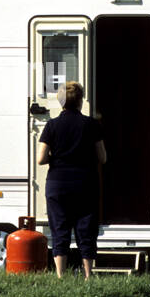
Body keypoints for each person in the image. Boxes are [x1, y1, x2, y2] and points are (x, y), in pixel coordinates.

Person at [36, 81, 107, 279]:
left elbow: (41, 159)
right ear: (80, 100)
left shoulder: (52, 125)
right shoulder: (92, 124)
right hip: (86, 183)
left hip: (58, 184)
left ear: (60, 102)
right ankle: (88, 275)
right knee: (86, 231)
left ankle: (60, 276)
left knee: (60, 229)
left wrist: (58, 157)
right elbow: (103, 157)